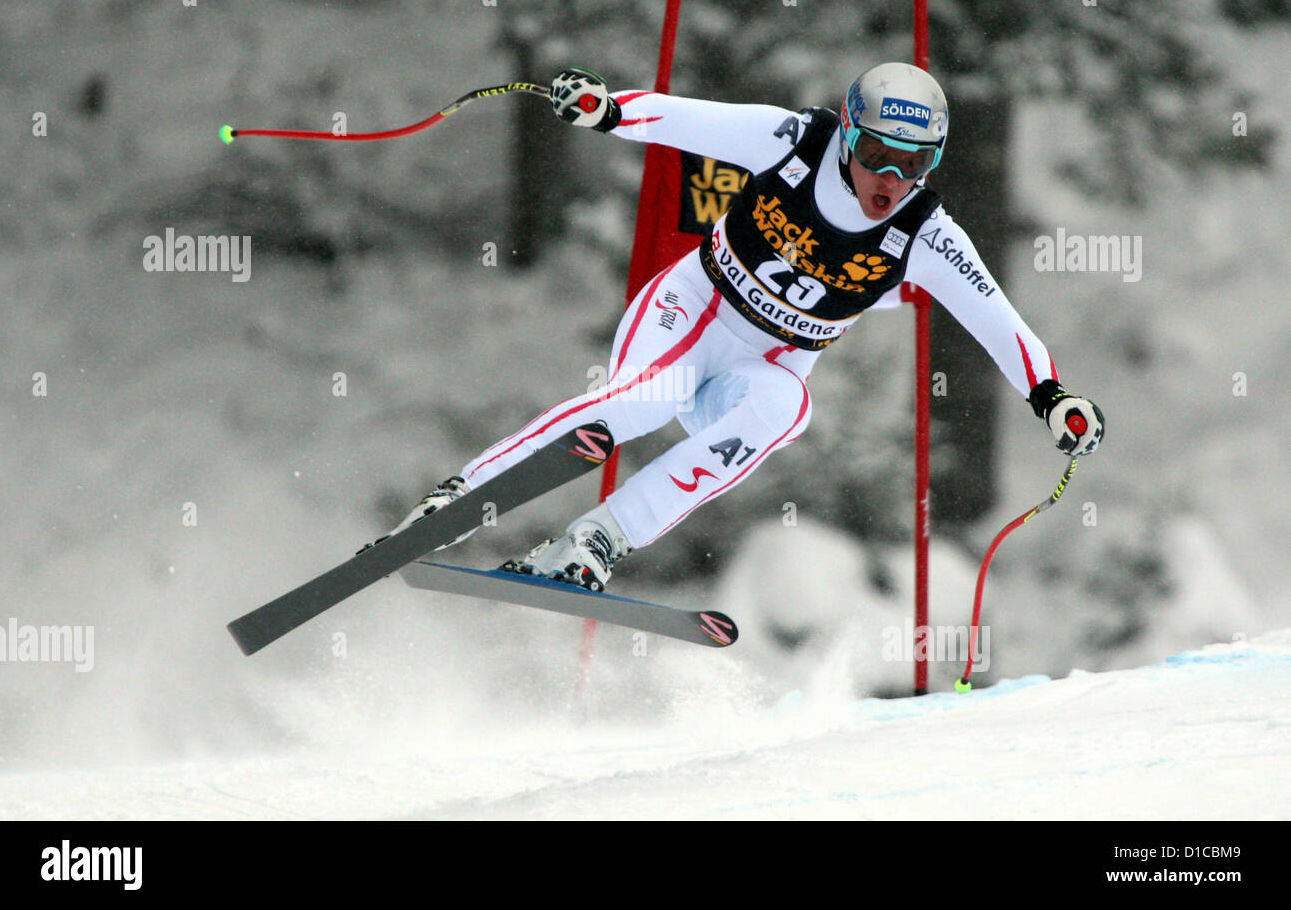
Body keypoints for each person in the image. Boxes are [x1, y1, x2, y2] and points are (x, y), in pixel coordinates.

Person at [375, 63, 1105, 591]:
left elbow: (995, 319)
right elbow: (688, 117)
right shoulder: (794, 142)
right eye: (878, 155)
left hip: (768, 364)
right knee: (647, 398)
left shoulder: (926, 233)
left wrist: (1052, 396)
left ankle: (600, 539)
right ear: (850, 135)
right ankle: (459, 500)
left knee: (788, 408)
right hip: (694, 310)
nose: (889, 179)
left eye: (912, 165)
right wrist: (609, 109)